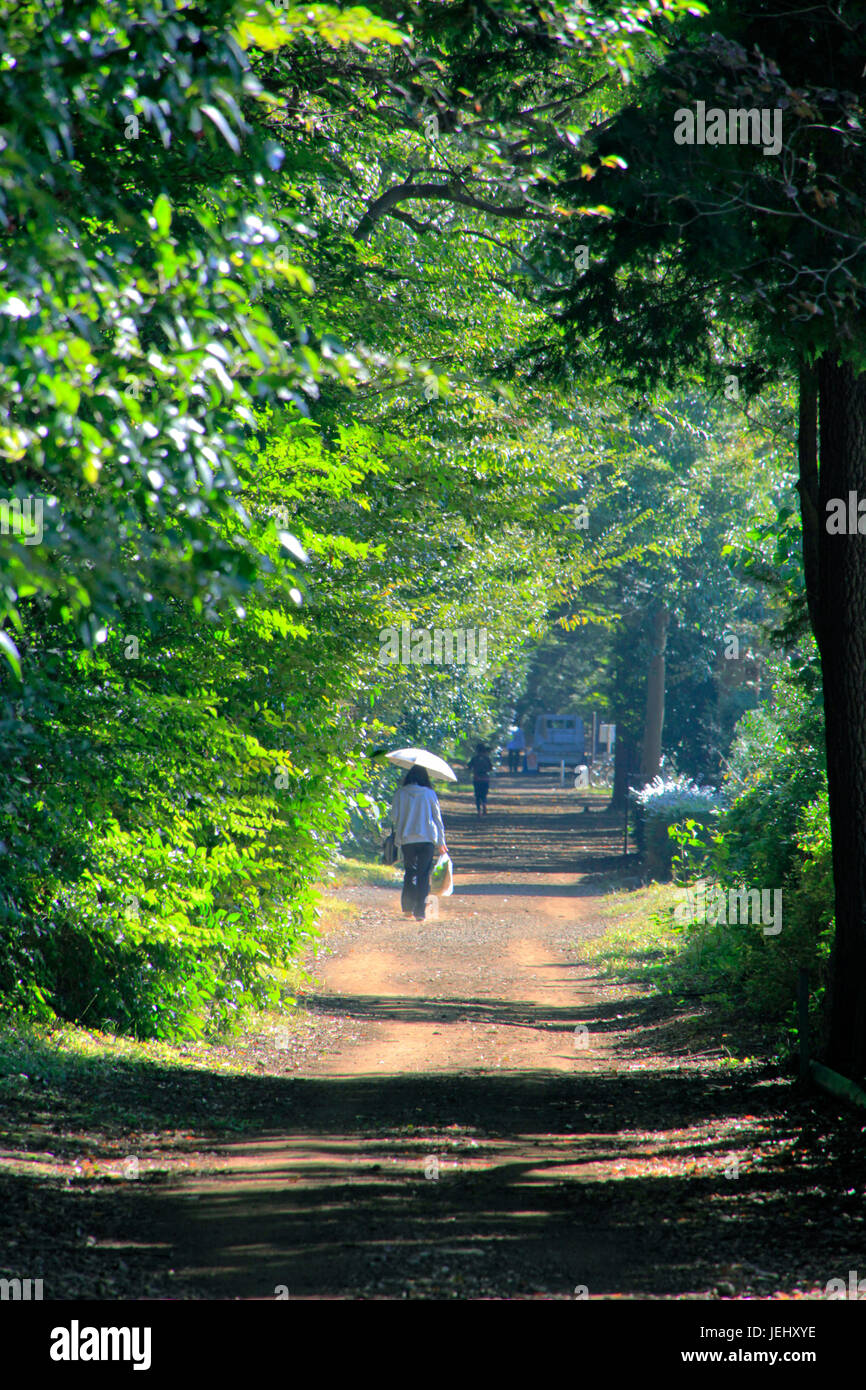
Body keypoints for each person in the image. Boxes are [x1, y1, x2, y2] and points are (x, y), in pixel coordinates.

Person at [389, 765, 447, 920]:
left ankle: (407, 907)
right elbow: (437, 819)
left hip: (407, 839)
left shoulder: (400, 793)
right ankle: (420, 912)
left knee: (410, 872)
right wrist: (441, 842)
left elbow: (393, 817)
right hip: (427, 838)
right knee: (423, 874)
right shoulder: (429, 794)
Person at [467, 742, 493, 816]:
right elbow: (491, 768)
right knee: (484, 794)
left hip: (477, 778)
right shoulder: (487, 758)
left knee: (477, 795)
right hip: (485, 778)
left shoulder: (474, 758)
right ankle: (484, 804)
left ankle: (479, 811)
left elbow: (469, 766)